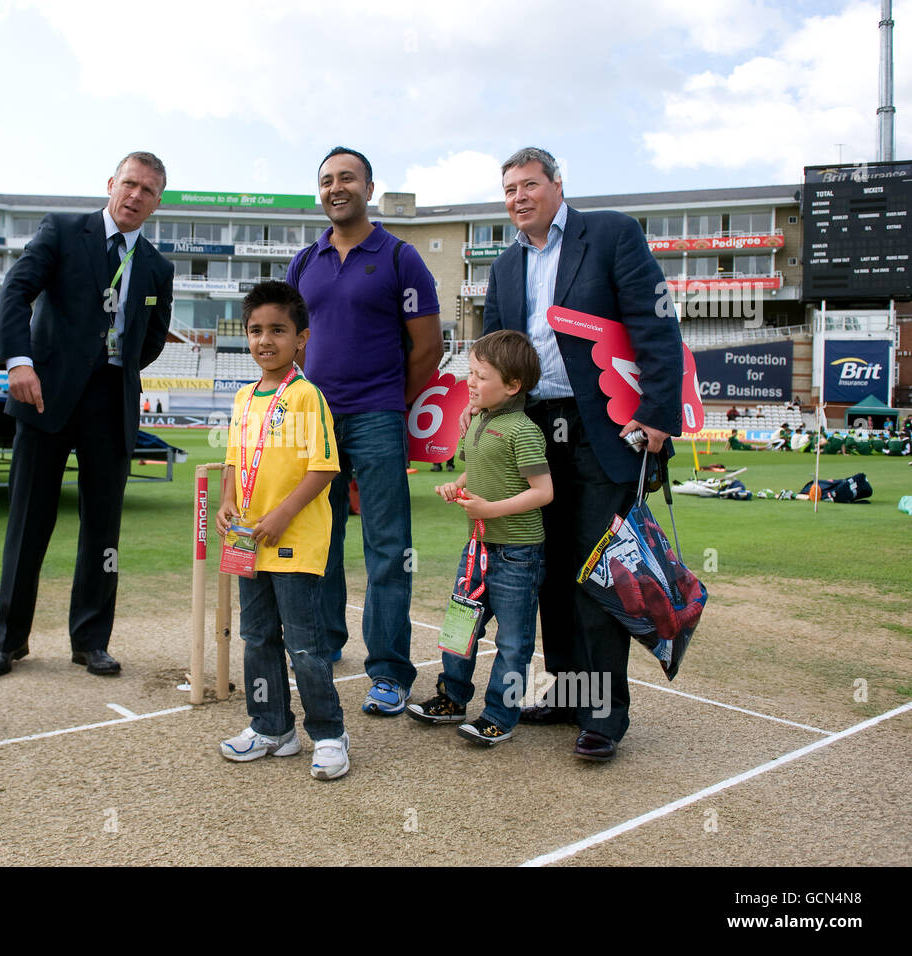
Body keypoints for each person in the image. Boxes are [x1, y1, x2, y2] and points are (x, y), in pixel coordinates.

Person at [481, 147, 682, 762]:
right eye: (509, 189)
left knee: (599, 571)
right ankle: (570, 694)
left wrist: (656, 413)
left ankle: (603, 715)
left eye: (529, 185)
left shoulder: (612, 234)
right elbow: (495, 350)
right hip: (534, 428)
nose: (519, 197)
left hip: (604, 429)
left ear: (557, 184)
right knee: (552, 572)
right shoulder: (504, 266)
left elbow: (656, 326)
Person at [0, 152, 173, 679]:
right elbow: (17, 290)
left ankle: (91, 642)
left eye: (148, 190)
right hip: (45, 395)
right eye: (129, 184)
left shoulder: (157, 266)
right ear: (111, 183)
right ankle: (8, 641)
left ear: (157, 202)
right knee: (28, 524)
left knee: (103, 530)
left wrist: (111, 366)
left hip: (111, 404)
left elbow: (150, 340)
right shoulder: (63, 231)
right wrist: (19, 360)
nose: (135, 196)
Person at [285, 146, 442, 715]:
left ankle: (391, 673)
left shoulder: (400, 258)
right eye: (326, 180)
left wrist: (388, 403)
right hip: (314, 424)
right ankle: (324, 645)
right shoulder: (305, 263)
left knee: (387, 547)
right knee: (318, 542)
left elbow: (428, 349)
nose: (335, 187)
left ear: (369, 187)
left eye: (346, 177)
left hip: (377, 419)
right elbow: (288, 339)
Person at [215, 281, 347, 779]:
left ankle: (330, 733)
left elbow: (324, 468)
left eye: (277, 330)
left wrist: (282, 515)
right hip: (249, 542)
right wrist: (228, 501)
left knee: (306, 646)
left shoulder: (307, 396)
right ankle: (272, 727)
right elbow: (233, 460)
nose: (264, 340)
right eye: (255, 331)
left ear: (302, 338)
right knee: (257, 638)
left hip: (293, 543)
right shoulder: (244, 399)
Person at [407, 331, 552, 746]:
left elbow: (543, 492)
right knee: (459, 626)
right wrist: (458, 485)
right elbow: (479, 472)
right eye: (470, 372)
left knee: (513, 641)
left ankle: (499, 716)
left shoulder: (522, 430)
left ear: (512, 386)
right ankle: (452, 698)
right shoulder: (476, 421)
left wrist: (488, 510)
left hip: (518, 555)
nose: (470, 382)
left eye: (481, 376)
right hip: (477, 550)